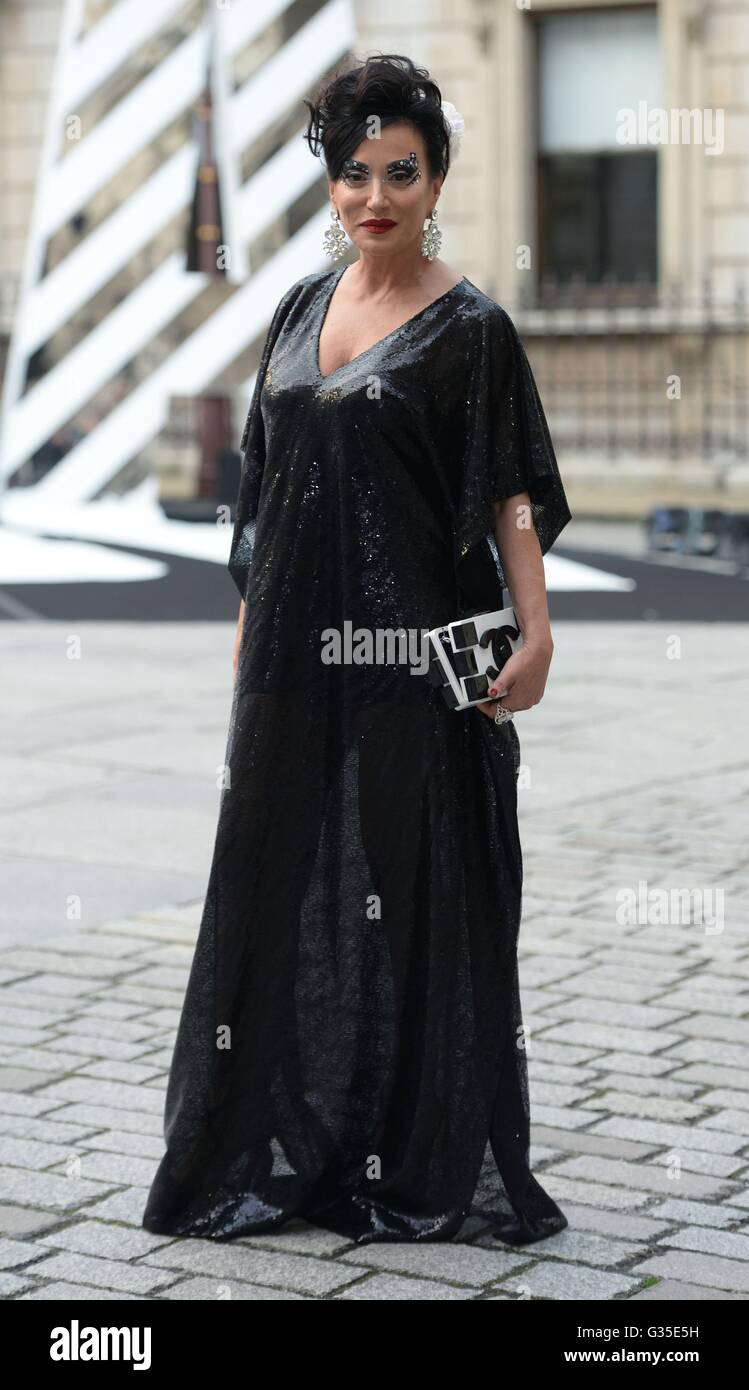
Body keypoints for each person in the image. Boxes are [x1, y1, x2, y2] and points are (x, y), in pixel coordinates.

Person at [142, 53, 572, 1247]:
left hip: (402, 664)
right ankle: (264, 1147)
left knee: (415, 901)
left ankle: (417, 1160)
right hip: (287, 660)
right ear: (330, 185)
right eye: (354, 173)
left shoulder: (470, 329)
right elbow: (264, 499)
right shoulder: (294, 311)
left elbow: (507, 498)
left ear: (434, 182)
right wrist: (247, 650)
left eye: (400, 172)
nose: (374, 194)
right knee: (269, 899)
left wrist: (535, 629)